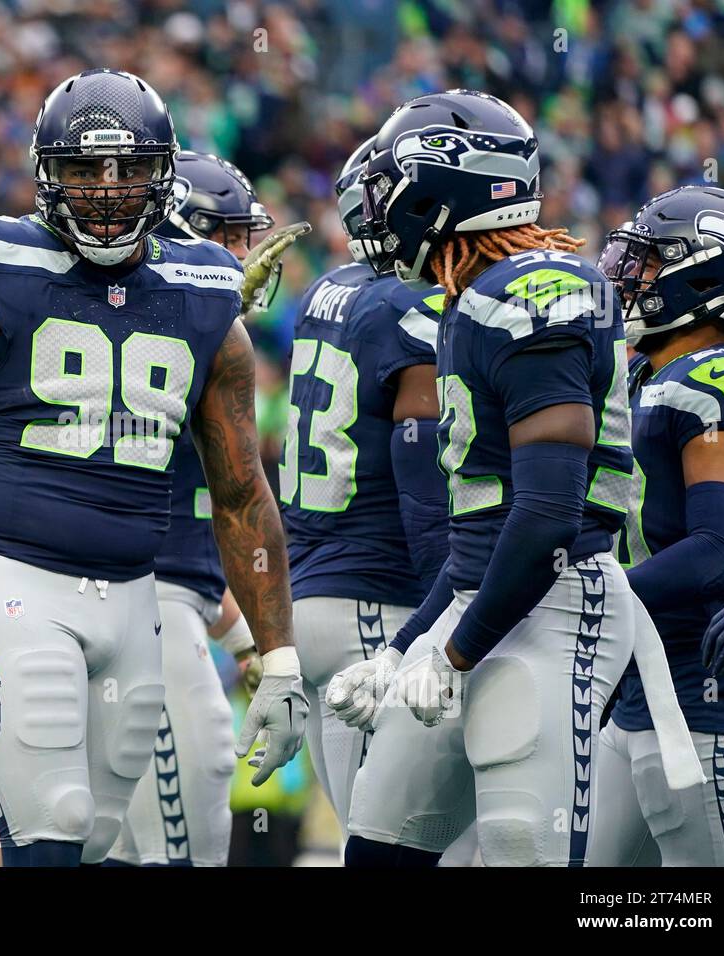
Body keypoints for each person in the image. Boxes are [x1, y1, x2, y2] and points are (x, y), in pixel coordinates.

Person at [0, 69, 309, 866]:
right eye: (84, 169)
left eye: (129, 170)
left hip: (133, 602)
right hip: (11, 579)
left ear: (164, 177)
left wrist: (280, 654)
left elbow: (239, 492)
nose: (106, 190)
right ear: (44, 173)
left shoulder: (204, 302)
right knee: (52, 825)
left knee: (99, 843)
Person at [328, 89, 636, 867]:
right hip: (486, 596)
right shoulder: (472, 300)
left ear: (443, 188)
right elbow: (481, 535)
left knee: (518, 849)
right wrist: (402, 648)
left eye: (391, 187)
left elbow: (544, 518)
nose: (376, 210)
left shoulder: (536, 292)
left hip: (560, 605)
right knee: (379, 838)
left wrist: (456, 652)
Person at [109, 150, 309, 866]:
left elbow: (185, 549)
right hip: (136, 618)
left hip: (160, 607)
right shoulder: (172, 338)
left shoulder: (192, 333)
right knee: (180, 827)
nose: (248, 256)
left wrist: (244, 640)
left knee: (132, 843)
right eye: (230, 238)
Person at [590, 185, 724, 866]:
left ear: (706, 272)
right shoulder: (639, 377)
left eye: (651, 262)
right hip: (641, 694)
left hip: (711, 694)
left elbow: (716, 550)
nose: (630, 277)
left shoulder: (719, 376)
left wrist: (582, 602)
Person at [282, 138, 448, 827]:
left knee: (377, 836)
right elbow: (424, 495)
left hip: (312, 598)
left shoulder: (328, 289)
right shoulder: (414, 307)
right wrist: (449, 616)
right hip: (377, 608)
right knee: (402, 844)